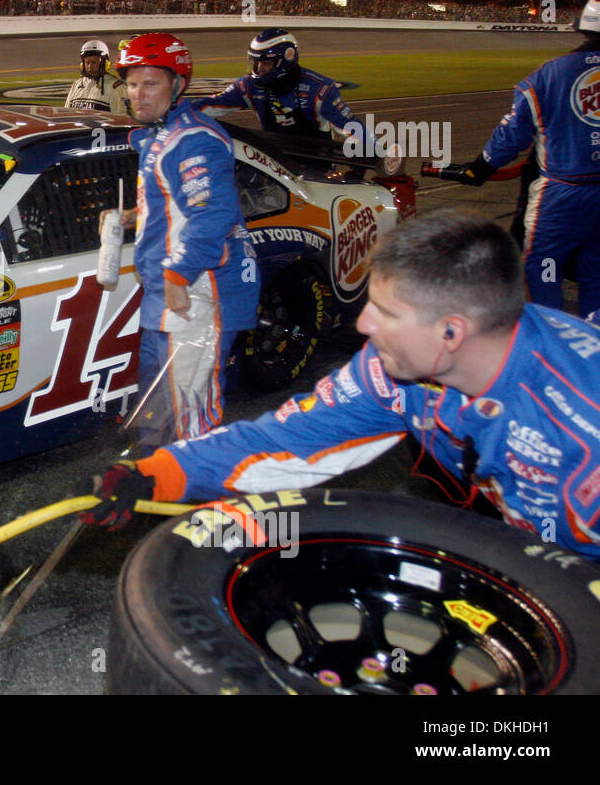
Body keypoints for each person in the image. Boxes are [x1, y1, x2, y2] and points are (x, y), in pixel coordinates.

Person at [81, 210, 600, 563]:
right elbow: (284, 439)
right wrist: (155, 474)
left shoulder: (582, 420)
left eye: (387, 313)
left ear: (451, 332)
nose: (363, 325)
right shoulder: (396, 367)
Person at [114, 32, 259, 453]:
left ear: (178, 84)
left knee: (191, 410)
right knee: (157, 402)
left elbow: (213, 213)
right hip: (170, 294)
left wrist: (179, 273)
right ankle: (153, 484)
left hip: (198, 292)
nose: (138, 94)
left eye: (151, 83)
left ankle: (201, 507)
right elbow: (176, 204)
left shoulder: (193, 138)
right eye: (133, 83)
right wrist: (132, 216)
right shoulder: (161, 133)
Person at [448, 0, 600, 318]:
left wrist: (480, 168)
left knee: (543, 268)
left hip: (561, 196)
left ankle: (549, 337)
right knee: (596, 276)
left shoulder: (547, 76)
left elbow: (510, 137)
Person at [194, 27, 397, 170]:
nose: (258, 69)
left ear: (285, 61)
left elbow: (351, 127)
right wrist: (175, 110)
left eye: (264, 63)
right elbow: (211, 105)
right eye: (255, 63)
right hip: (272, 164)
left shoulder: (320, 89)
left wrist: (378, 152)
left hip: (316, 167)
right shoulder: (249, 85)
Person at [64, 40, 129, 115]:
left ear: (105, 63)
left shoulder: (116, 88)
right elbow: (66, 113)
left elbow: (120, 120)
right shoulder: (76, 85)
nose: (90, 67)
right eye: (87, 62)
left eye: (94, 62)